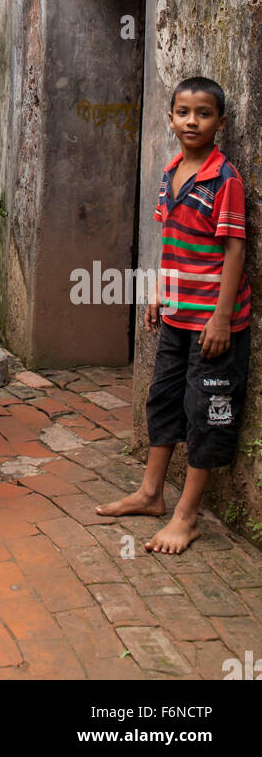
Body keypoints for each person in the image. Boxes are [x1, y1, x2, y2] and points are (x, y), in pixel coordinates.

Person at [96, 78, 251, 554]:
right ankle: (150, 493)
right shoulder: (171, 172)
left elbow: (234, 249)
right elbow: (172, 243)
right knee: (162, 402)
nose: (191, 121)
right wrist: (158, 292)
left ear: (219, 122)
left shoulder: (226, 180)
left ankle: (186, 516)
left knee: (205, 415)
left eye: (203, 114)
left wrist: (221, 318)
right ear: (170, 117)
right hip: (178, 317)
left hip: (214, 326)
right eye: (183, 112)